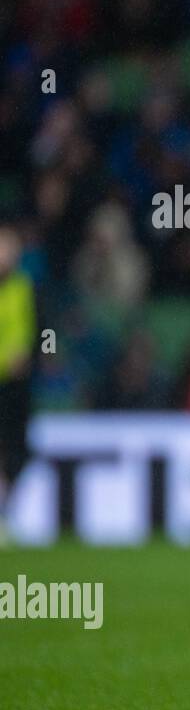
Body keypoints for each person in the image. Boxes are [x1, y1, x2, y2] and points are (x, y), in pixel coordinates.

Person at [0, 224, 36, 546]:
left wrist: (34, 357)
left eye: (7, 246)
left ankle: (4, 515)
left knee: (17, 452)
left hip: (15, 388)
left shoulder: (26, 289)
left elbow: (44, 336)